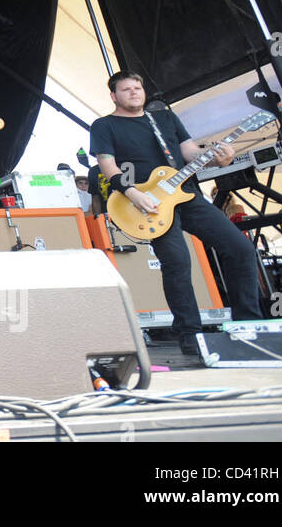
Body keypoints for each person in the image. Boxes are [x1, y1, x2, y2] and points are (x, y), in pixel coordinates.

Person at [89, 71, 262, 355]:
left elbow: (190, 152)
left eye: (137, 87)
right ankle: (191, 336)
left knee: (240, 248)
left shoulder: (164, 118)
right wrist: (134, 193)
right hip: (148, 203)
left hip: (187, 194)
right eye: (126, 89)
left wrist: (220, 159)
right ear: (114, 96)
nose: (134, 93)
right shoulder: (104, 125)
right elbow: (108, 166)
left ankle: (248, 327)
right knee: (178, 264)